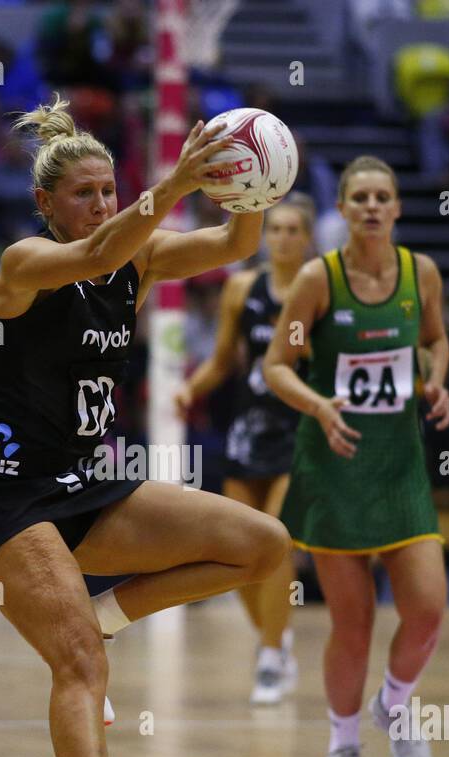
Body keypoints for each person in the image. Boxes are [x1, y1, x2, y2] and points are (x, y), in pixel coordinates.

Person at [0, 95, 290, 757]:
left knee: (264, 543)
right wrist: (168, 187)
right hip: (2, 494)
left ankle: (108, 613)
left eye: (109, 189)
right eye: (83, 192)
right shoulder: (24, 264)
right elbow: (103, 246)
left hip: (82, 485)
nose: (100, 204)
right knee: (80, 668)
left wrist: (249, 181)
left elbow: (237, 243)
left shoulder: (141, 256)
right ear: (46, 206)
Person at [264, 155, 449, 757]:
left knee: (427, 609)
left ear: (397, 208)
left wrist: (438, 379)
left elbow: (434, 339)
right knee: (355, 623)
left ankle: (394, 705)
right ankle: (343, 743)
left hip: (400, 466)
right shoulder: (318, 280)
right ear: (340, 211)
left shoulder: (419, 273)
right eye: (360, 198)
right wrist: (318, 404)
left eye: (383, 196)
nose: (372, 206)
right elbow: (278, 364)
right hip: (335, 467)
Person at [174, 193, 317, 704]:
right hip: (246, 431)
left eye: (292, 230)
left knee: (277, 544)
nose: (281, 238)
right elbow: (221, 362)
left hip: (299, 433)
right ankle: (273, 640)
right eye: (273, 229)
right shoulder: (241, 288)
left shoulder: (321, 291)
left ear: (308, 237)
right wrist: (191, 389)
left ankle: (272, 657)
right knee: (238, 554)